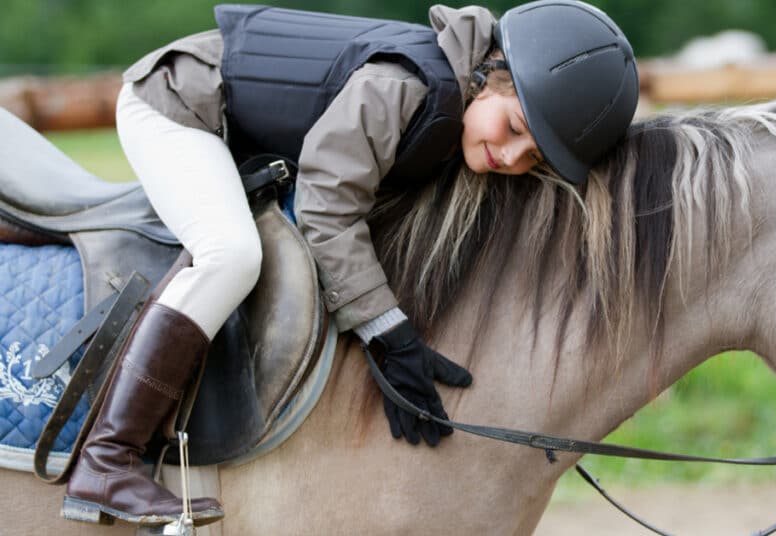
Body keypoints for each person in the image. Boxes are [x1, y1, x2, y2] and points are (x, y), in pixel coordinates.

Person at [60, 0, 639, 529]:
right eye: (513, 128)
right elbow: (327, 202)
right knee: (231, 255)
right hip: (175, 105)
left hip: (231, 125)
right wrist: (388, 332)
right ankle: (107, 457)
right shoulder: (404, 87)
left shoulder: (455, 104)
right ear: (487, 78)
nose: (508, 157)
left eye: (531, 155)